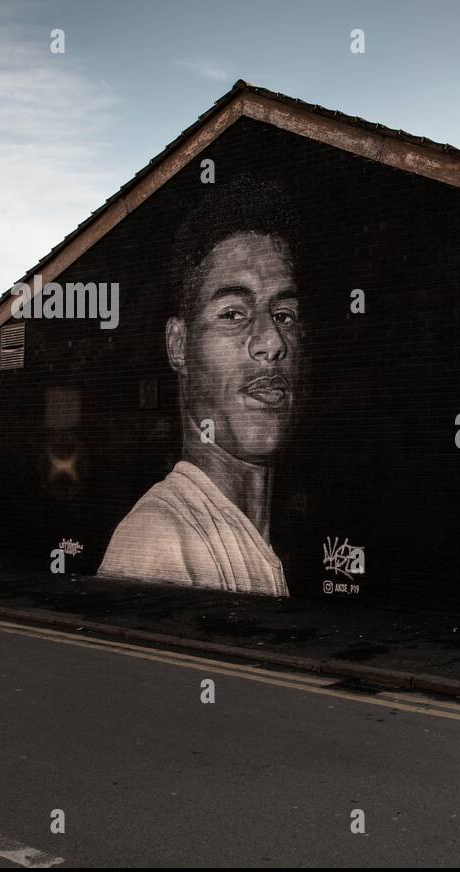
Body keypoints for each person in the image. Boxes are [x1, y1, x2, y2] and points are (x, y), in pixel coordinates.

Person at [99, 178, 303, 595]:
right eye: (233, 314)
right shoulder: (160, 540)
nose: (271, 342)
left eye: (284, 314)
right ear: (179, 346)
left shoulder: (269, 537)